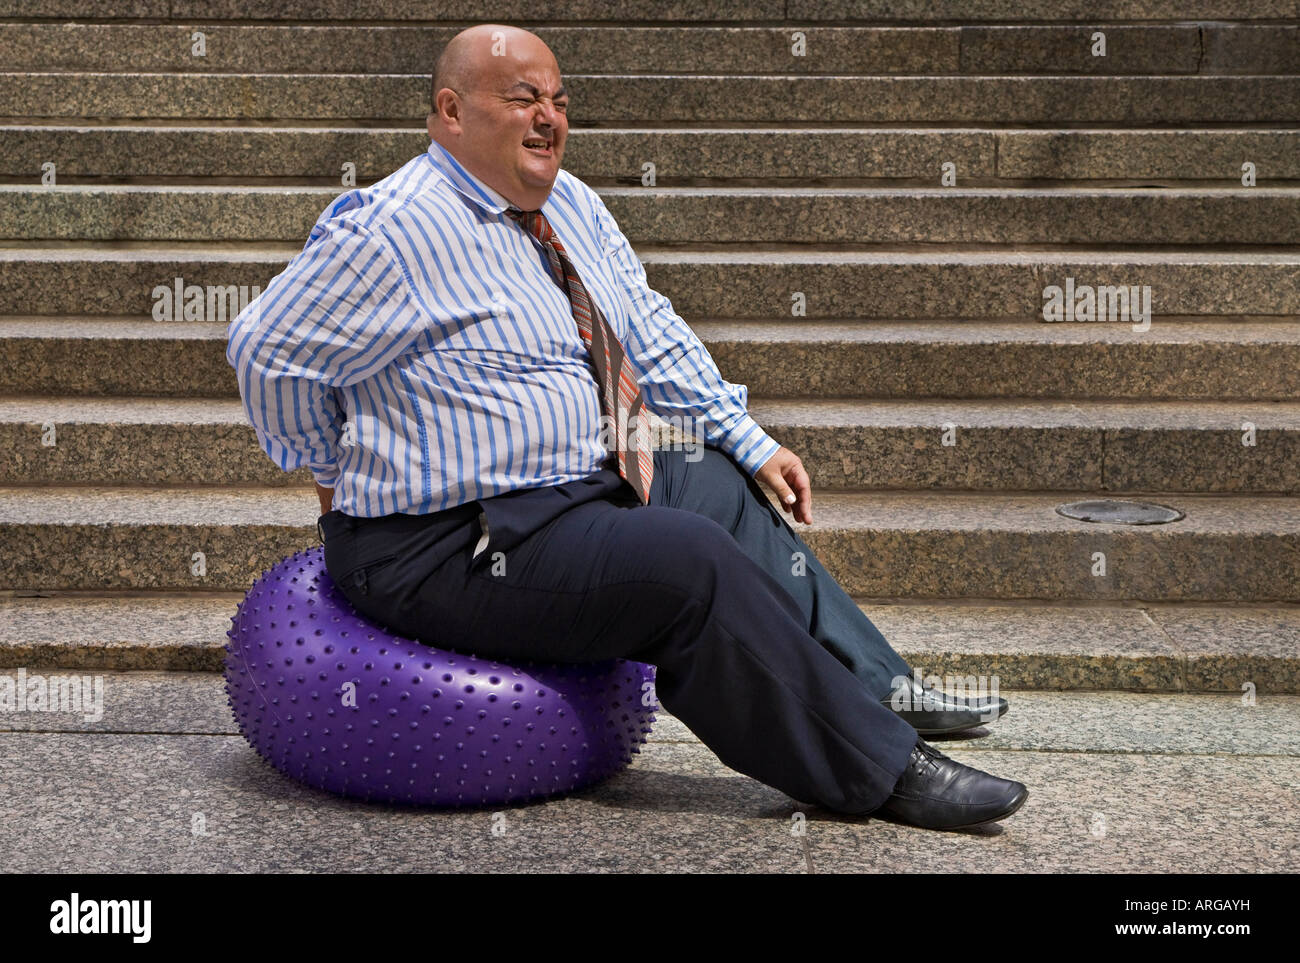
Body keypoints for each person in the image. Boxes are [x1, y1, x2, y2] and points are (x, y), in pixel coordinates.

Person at [227, 24, 1027, 830]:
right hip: (447, 539)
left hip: (572, 488)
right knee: (689, 565)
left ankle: (879, 686)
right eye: (524, 98)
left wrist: (752, 441)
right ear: (451, 112)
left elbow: (646, 326)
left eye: (560, 99)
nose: (550, 117)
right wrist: (326, 474)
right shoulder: (389, 229)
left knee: (711, 477)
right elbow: (265, 349)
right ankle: (882, 771)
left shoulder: (569, 203)